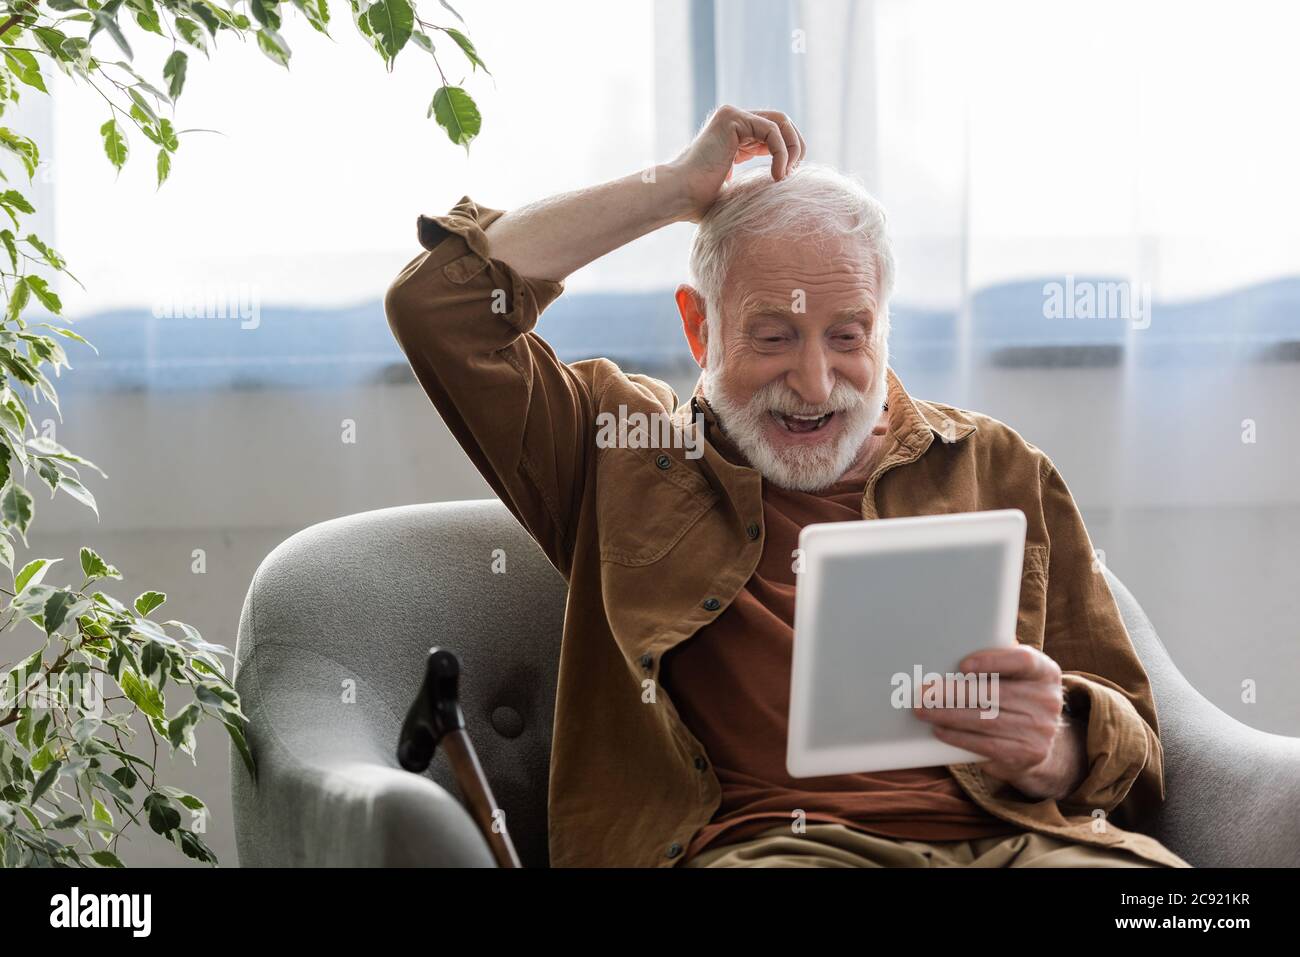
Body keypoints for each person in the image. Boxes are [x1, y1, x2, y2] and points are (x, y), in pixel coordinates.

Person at [384, 105, 1189, 868]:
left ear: (884, 324)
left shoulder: (999, 466)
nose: (814, 381)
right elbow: (439, 306)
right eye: (773, 337)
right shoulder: (622, 450)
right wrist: (672, 189)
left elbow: (1142, 748)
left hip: (1018, 845)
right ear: (700, 326)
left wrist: (1057, 748)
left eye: (848, 336)